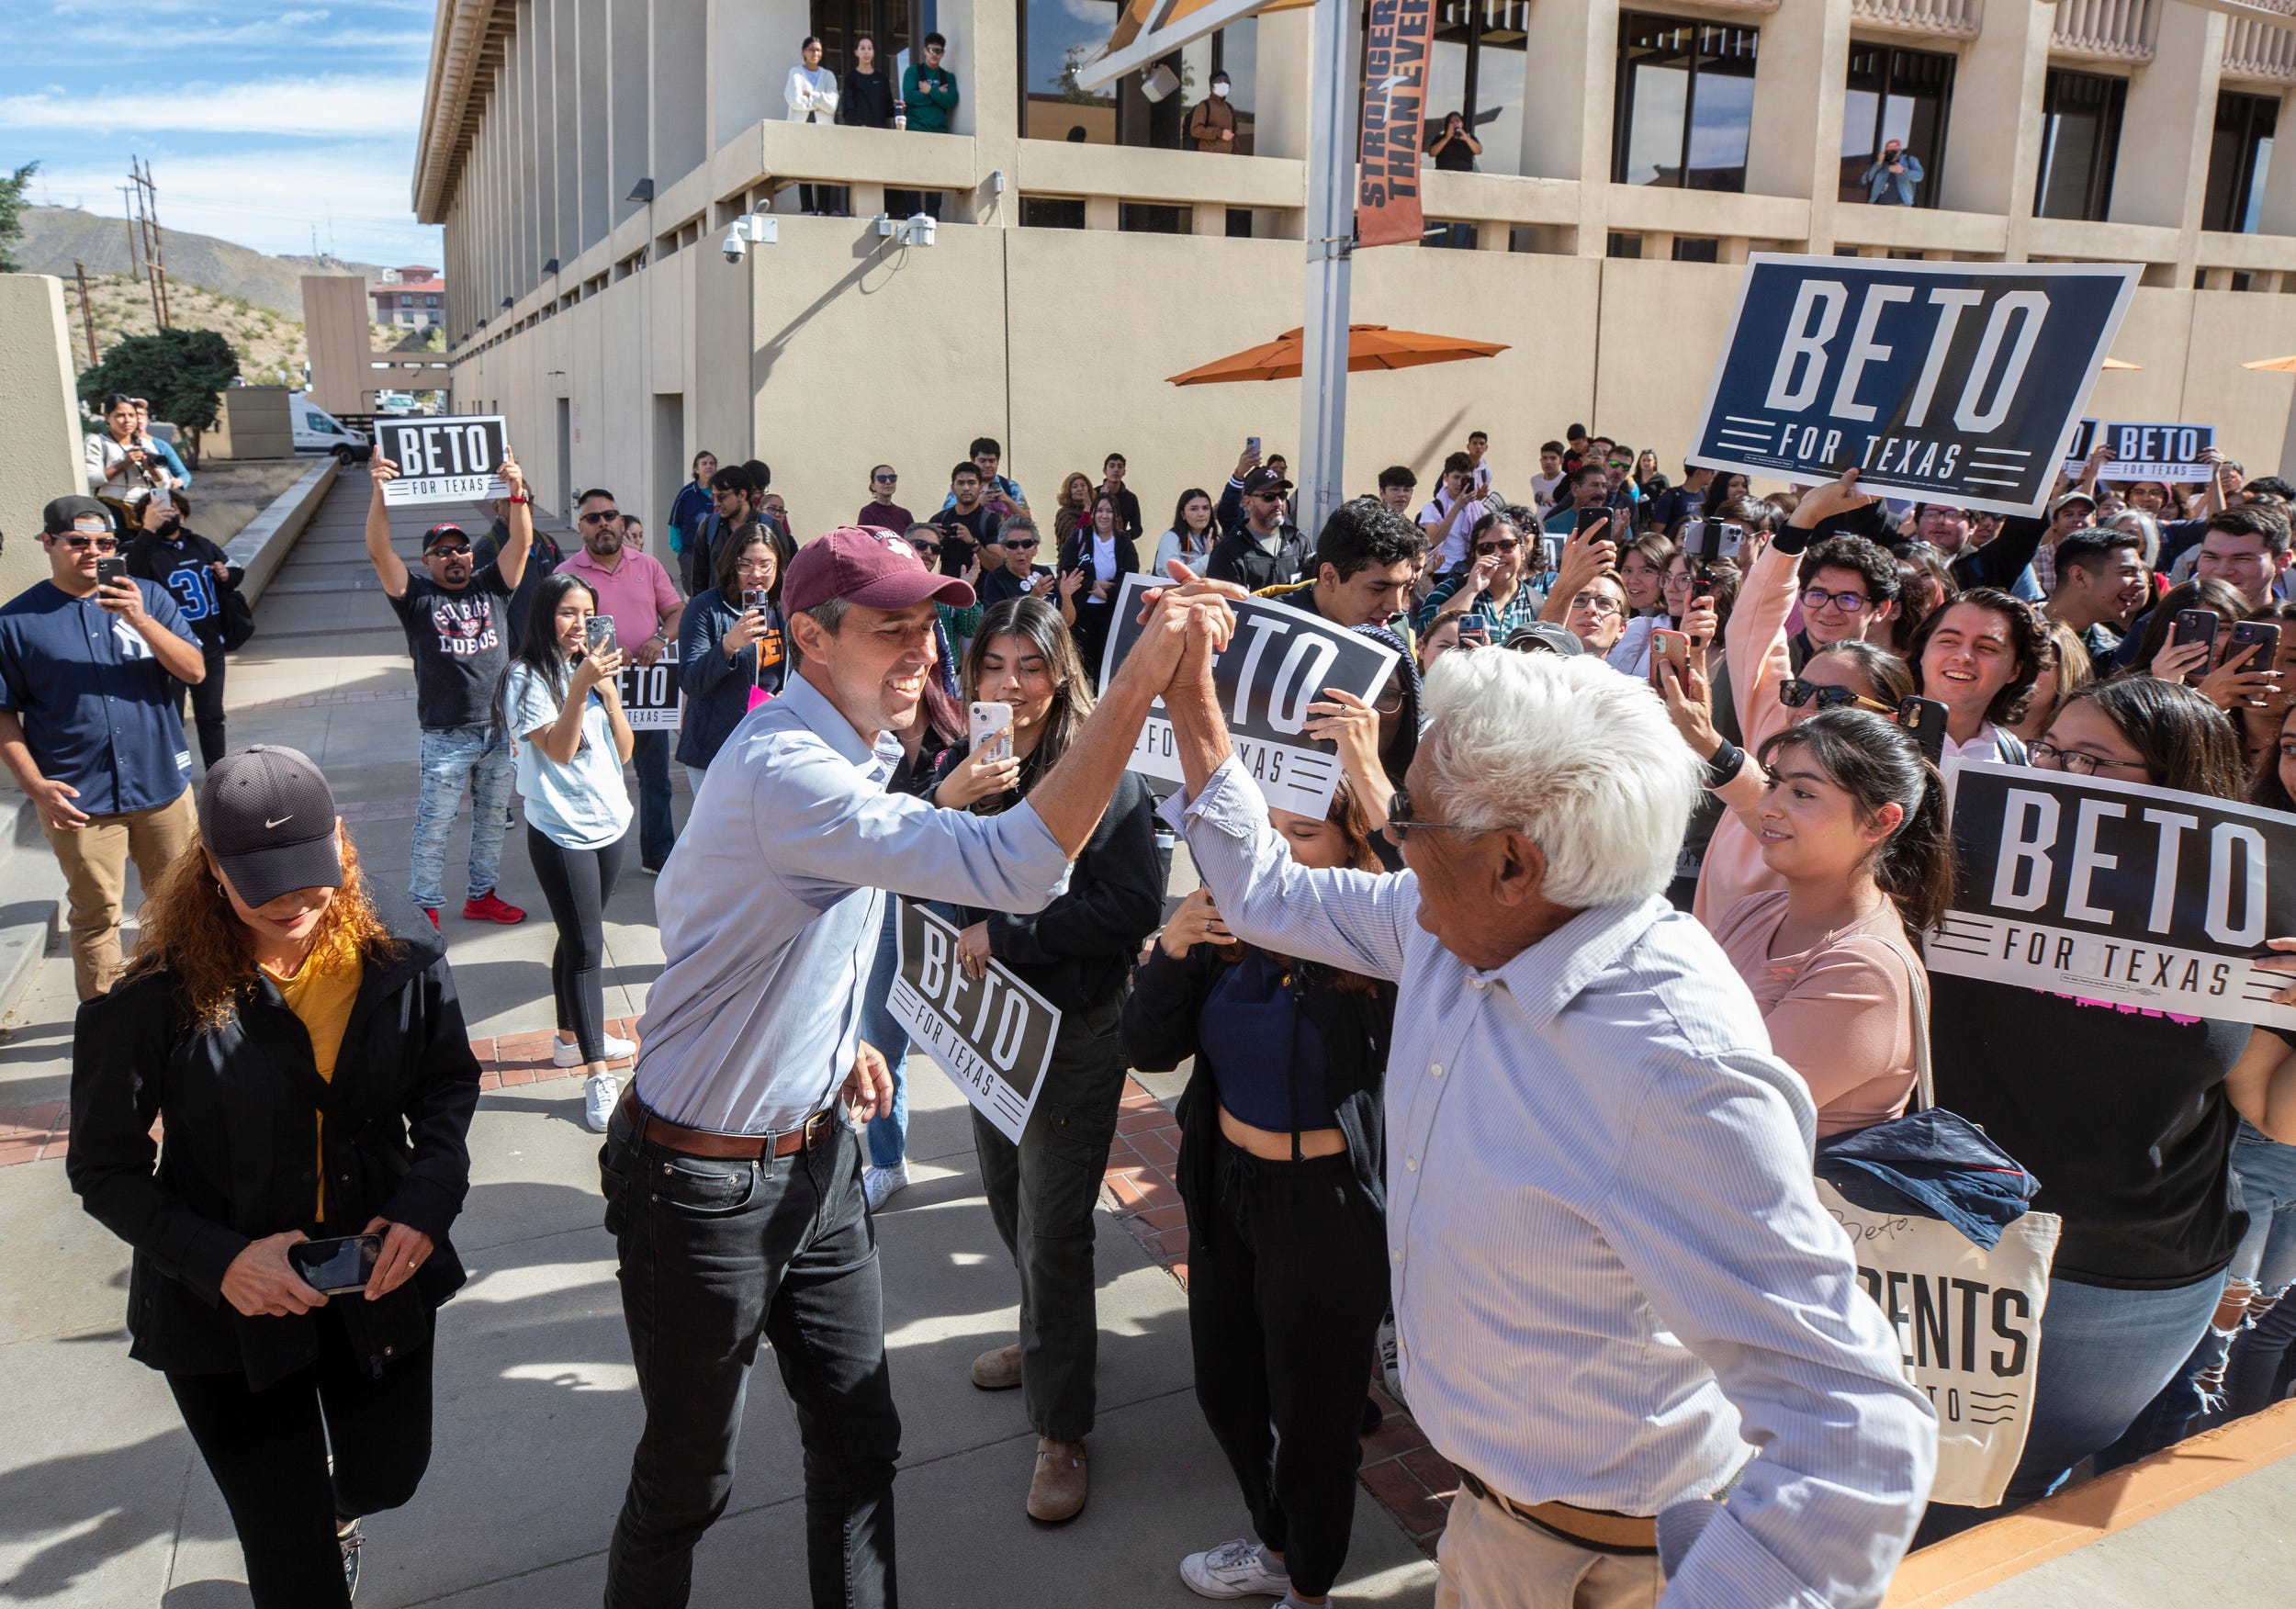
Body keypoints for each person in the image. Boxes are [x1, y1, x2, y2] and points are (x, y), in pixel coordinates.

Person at [1154, 638, 1934, 1608]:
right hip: (1496, 1524)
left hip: (1610, 1568)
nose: (1390, 836)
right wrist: (1193, 707)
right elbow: (1265, 893)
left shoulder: (1670, 1068)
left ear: (1514, 862)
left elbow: (1853, 1430)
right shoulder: (1448, 926)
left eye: (1408, 814)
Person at [596, 526, 1233, 1606]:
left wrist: (838, 1042)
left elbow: (800, 913)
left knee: (859, 1445)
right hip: (699, 1186)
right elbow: (1018, 866)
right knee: (687, 1482)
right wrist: (1138, 684)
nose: (923, 654)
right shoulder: (782, 766)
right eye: (888, 630)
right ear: (806, 638)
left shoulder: (856, 748)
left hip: (817, 1160)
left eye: (928, 626)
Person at [67, 745, 480, 1606]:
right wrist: (220, 1261)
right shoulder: (152, 999)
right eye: (266, 884)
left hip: (375, 1279)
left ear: (341, 842)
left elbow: (448, 1081)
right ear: (211, 867)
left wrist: (427, 1199)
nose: (296, 904)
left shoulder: (398, 953)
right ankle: (305, 1542)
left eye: (310, 875)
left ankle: (339, 1511)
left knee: (390, 1473)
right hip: (227, 1314)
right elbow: (103, 1168)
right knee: (291, 1566)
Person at [1919, 676, 2296, 1533]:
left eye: (2092, 761)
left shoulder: (2250, 916)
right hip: (1951, 1250)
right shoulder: (1969, 862)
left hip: (2134, 1284)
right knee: (1893, 1478)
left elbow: (2274, 1111)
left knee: (2006, 1510)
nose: (2056, 772)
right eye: (2051, 750)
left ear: (2178, 791)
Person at [1123, 777, 1398, 1609]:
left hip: (1329, 1215)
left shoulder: (1379, 953)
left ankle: (1308, 1588)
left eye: (1304, 835)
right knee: (1228, 1390)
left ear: (1353, 855)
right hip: (1227, 1191)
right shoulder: (1223, 932)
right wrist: (1173, 950)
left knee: (1316, 1423)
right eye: (1266, 835)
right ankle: (1275, 1544)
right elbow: (1147, 1046)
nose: (1276, 857)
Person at [929, 599, 1162, 1521]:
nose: (1011, 686)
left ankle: (1062, 1429)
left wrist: (1011, 932)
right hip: (987, 1028)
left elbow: (1134, 906)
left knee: (1055, 1229)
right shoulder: (972, 762)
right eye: (995, 665)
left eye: (1030, 666)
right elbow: (929, 865)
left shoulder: (1103, 770)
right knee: (1005, 1197)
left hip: (1072, 1030)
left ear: (1060, 673)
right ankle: (1041, 1342)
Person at [0, 497, 210, 998]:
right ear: (48, 543)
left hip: (161, 787)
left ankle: (189, 1008)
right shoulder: (15, 622)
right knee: (97, 918)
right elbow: (3, 713)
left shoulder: (150, 599)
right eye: (78, 542)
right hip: (78, 799)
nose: (93, 552)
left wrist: (139, 618)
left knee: (188, 908)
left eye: (105, 543)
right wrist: (35, 788)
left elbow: (194, 670)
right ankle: (110, 1031)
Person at [1712, 708, 1945, 1137]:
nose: (1768, 806)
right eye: (1774, 783)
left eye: (1802, 793)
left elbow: (1725, 1113)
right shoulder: (1754, 912)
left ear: (1880, 821)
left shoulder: (1865, 970)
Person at [367, 455, 532, 930]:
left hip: (498, 731)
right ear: (427, 562)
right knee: (434, 827)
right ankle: (425, 906)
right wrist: (379, 491)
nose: (454, 556)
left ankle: (482, 896)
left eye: (460, 548)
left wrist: (516, 491)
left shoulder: (493, 588)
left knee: (491, 823)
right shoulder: (417, 597)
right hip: (446, 734)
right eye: (442, 551)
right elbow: (380, 553)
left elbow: (520, 544)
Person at [496, 574, 636, 1130]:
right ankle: (597, 1074)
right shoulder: (525, 678)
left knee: (578, 936)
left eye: (587, 613)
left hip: (609, 822)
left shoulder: (594, 672)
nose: (579, 624)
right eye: (567, 613)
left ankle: (567, 1036)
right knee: (586, 947)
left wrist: (608, 696)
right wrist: (579, 687)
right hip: (560, 830)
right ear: (543, 616)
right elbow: (558, 752)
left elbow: (622, 752)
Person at [559, 488, 683, 874]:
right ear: (581, 527)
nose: (604, 524)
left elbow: (677, 611)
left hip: (647, 690)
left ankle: (657, 852)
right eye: (593, 518)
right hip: (593, 692)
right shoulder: (565, 575)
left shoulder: (647, 565)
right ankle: (597, 854)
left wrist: (659, 639)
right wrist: (596, 655)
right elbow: (557, 632)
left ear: (620, 520)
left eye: (610, 515)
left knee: (655, 778)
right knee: (594, 775)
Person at [126, 490, 241, 770]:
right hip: (166, 648)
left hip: (209, 645)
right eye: (157, 509)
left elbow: (235, 570)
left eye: (172, 507)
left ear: (184, 512)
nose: (167, 513)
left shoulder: (200, 544)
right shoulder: (140, 549)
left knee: (212, 715)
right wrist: (149, 530)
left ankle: (218, 776)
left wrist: (227, 574)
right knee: (171, 720)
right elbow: (130, 574)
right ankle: (173, 776)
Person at [677, 529, 788, 792]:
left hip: (772, 742)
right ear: (730, 565)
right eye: (745, 564)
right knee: (717, 833)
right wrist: (728, 645)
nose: (756, 574)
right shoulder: (705, 607)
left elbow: (801, 667)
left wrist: (790, 694)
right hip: (715, 748)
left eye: (765, 565)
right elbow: (690, 681)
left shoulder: (784, 608)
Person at [1907, 588, 2046, 763]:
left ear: (2015, 670)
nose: (1964, 657)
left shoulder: (2015, 761)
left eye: (1986, 647)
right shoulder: (1873, 742)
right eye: (1948, 641)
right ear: (1923, 652)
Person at [1415, 508, 1539, 642]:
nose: (1497, 554)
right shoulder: (1450, 589)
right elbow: (1422, 636)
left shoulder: (1537, 601)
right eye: (1486, 548)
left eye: (1506, 545)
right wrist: (1471, 590)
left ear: (1522, 552)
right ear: (1475, 554)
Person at [2043, 526, 2147, 676]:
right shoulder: (2015, 635)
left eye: (2140, 572)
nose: (2140, 584)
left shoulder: (2112, 653)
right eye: (2127, 572)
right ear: (2080, 577)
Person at [1057, 491, 1140, 678]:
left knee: (1106, 666)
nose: (1104, 515)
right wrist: (1093, 584)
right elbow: (1067, 570)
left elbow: (1130, 578)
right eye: (1100, 510)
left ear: (1116, 515)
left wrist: (1106, 594)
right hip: (1081, 611)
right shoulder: (1078, 538)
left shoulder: (1124, 542)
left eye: (1109, 511)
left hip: (1111, 612)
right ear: (1092, 514)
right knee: (1080, 664)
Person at [84, 391, 179, 528]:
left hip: (145, 510)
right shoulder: (97, 442)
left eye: (132, 415)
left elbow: (164, 484)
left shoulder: (145, 444)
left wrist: (151, 469)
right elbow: (91, 479)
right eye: (120, 415)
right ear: (107, 417)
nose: (127, 420)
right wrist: (124, 463)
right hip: (112, 510)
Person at [1207, 466, 1307, 589]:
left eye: (1282, 495)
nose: (1278, 503)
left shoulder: (1299, 543)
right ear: (1248, 502)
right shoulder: (1228, 552)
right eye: (1269, 497)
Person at [787, 37, 843, 214]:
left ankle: (823, 208)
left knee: (823, 166)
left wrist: (810, 95)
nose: (815, 53)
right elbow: (795, 100)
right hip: (802, 127)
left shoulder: (828, 76)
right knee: (804, 166)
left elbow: (832, 105)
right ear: (804, 52)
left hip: (823, 128)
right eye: (811, 49)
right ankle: (807, 208)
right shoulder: (796, 73)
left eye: (818, 50)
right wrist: (820, 100)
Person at [1416, 452, 1489, 576]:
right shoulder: (1432, 508)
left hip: (1467, 571)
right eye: (1456, 477)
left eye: (1465, 478)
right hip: (1440, 572)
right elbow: (1434, 541)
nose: (1460, 483)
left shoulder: (1477, 507)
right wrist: (1457, 507)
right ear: (1446, 477)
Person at [935, 460, 1003, 576]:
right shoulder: (939, 519)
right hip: (947, 589)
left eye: (971, 483)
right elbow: (921, 562)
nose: (966, 488)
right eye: (960, 483)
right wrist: (931, 540)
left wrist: (973, 542)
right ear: (953, 487)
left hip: (982, 592)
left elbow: (996, 566)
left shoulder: (991, 520)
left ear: (980, 486)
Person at [980, 514, 1057, 605]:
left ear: (1035, 548)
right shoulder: (995, 579)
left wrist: (1066, 596)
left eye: (1027, 544)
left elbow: (1063, 617)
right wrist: (1033, 599)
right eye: (1013, 545)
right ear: (1004, 550)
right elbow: (998, 618)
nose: (1020, 551)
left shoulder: (1045, 572)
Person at [666, 449, 718, 564]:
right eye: (704, 464)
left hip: (717, 552)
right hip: (691, 553)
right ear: (696, 469)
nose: (709, 466)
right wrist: (680, 550)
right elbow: (675, 522)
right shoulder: (687, 493)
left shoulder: (721, 492)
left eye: (712, 463)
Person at [904, 31, 958, 136]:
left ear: (943, 53)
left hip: (939, 132)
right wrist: (938, 93)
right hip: (915, 129)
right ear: (925, 51)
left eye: (938, 51)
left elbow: (951, 101)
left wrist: (930, 90)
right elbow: (909, 97)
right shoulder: (912, 72)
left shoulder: (948, 77)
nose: (934, 54)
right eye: (931, 50)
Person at [1154, 487, 1219, 574]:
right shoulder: (1170, 538)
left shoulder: (1213, 540)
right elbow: (1176, 573)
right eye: (1194, 509)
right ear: (1183, 514)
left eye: (1205, 508)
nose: (1201, 514)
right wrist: (1207, 557)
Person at [841, 36, 896, 129]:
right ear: (856, 52)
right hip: (859, 132)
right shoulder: (851, 78)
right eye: (862, 48)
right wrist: (859, 125)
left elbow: (888, 111)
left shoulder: (882, 79)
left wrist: (898, 107)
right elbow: (848, 109)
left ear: (873, 52)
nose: (866, 52)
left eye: (870, 48)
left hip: (880, 132)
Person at [1859, 137, 1924, 205]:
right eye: (1888, 152)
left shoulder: (1909, 160)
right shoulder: (1881, 164)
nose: (1891, 154)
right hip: (1879, 205)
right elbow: (1864, 180)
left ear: (1900, 151)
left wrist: (1903, 171)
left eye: (1894, 152)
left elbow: (1919, 176)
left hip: (1901, 205)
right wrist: (1878, 164)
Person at [1188, 68, 1238, 151]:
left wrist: (1238, 156)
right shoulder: (1204, 106)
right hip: (1208, 158)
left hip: (1228, 159)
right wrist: (1219, 133)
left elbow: (1235, 134)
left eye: (1226, 81)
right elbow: (1195, 130)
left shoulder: (1229, 107)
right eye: (1219, 81)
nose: (1223, 84)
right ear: (1211, 87)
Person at [857, 464, 914, 534]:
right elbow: (865, 541)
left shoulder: (905, 514)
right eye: (882, 478)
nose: (888, 482)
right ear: (873, 486)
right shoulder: (867, 513)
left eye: (892, 478)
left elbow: (913, 541)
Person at [1099, 452, 1143, 537]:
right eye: (1112, 466)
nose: (1116, 470)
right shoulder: (1095, 493)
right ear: (1105, 471)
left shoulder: (1131, 498)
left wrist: (1124, 536)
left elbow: (1137, 528)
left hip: (1119, 546)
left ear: (1124, 472)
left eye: (1120, 467)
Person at [1051, 470, 1096, 547]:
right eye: (1075, 486)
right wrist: (1087, 509)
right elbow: (1077, 537)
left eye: (1083, 485)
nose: (1080, 489)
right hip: (1073, 557)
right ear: (1069, 491)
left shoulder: (1096, 510)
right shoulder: (1064, 514)